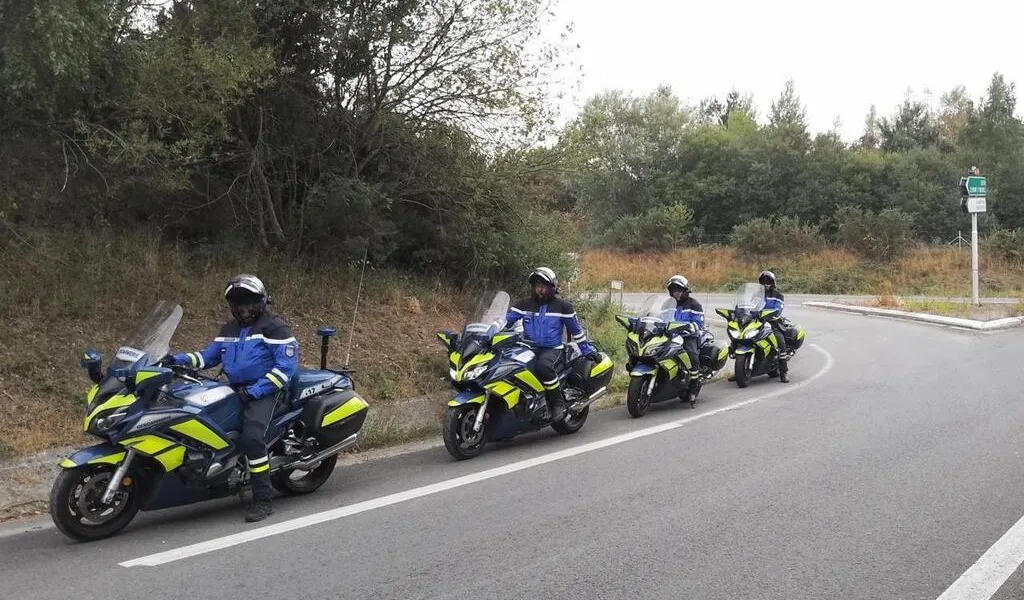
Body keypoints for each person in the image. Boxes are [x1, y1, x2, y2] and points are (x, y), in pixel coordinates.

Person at [163, 274, 300, 522]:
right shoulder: (229, 329)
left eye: (248, 302)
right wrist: (174, 360)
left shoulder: (275, 327)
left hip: (268, 391)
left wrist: (255, 391)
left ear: (261, 300)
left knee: (252, 438)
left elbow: (285, 368)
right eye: (237, 303)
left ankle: (263, 500)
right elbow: (207, 357)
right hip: (236, 389)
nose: (243, 308)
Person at [503, 267, 598, 422]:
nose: (539, 289)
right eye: (536, 286)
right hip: (527, 347)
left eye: (543, 286)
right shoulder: (524, 304)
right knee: (510, 367)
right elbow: (505, 321)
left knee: (544, 367)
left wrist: (587, 351)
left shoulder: (563, 306)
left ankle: (557, 403)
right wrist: (487, 332)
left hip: (552, 349)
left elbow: (576, 330)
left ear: (552, 287)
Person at [666, 275, 704, 403]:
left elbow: (698, 323)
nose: (676, 293)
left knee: (692, 355)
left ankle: (694, 385)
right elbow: (660, 317)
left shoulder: (694, 304)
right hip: (670, 335)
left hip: (688, 336)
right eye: (674, 290)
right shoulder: (667, 304)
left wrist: (688, 327)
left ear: (685, 290)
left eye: (679, 290)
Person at [759, 270, 790, 383]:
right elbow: (749, 305)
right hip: (757, 322)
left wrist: (770, 315)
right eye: (763, 282)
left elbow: (778, 309)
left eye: (767, 282)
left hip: (773, 324)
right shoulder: (756, 294)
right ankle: (739, 371)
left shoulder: (778, 295)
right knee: (740, 340)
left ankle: (783, 372)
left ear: (772, 282)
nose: (765, 284)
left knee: (781, 344)